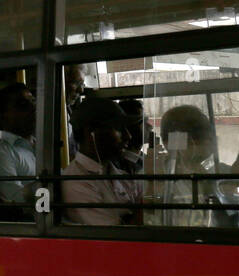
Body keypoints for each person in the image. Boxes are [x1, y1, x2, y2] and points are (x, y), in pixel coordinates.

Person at [62, 96, 143, 225]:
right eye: (118, 128)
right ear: (91, 133)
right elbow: (114, 234)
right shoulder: (76, 182)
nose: (128, 136)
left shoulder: (120, 175)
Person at [149, 104, 220, 227]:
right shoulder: (160, 175)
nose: (214, 141)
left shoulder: (202, 171)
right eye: (207, 136)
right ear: (190, 140)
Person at [0, 83, 37, 209]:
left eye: (33, 101)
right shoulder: (0, 154)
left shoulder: (41, 145)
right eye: (23, 104)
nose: (33, 107)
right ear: (2, 116)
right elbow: (18, 203)